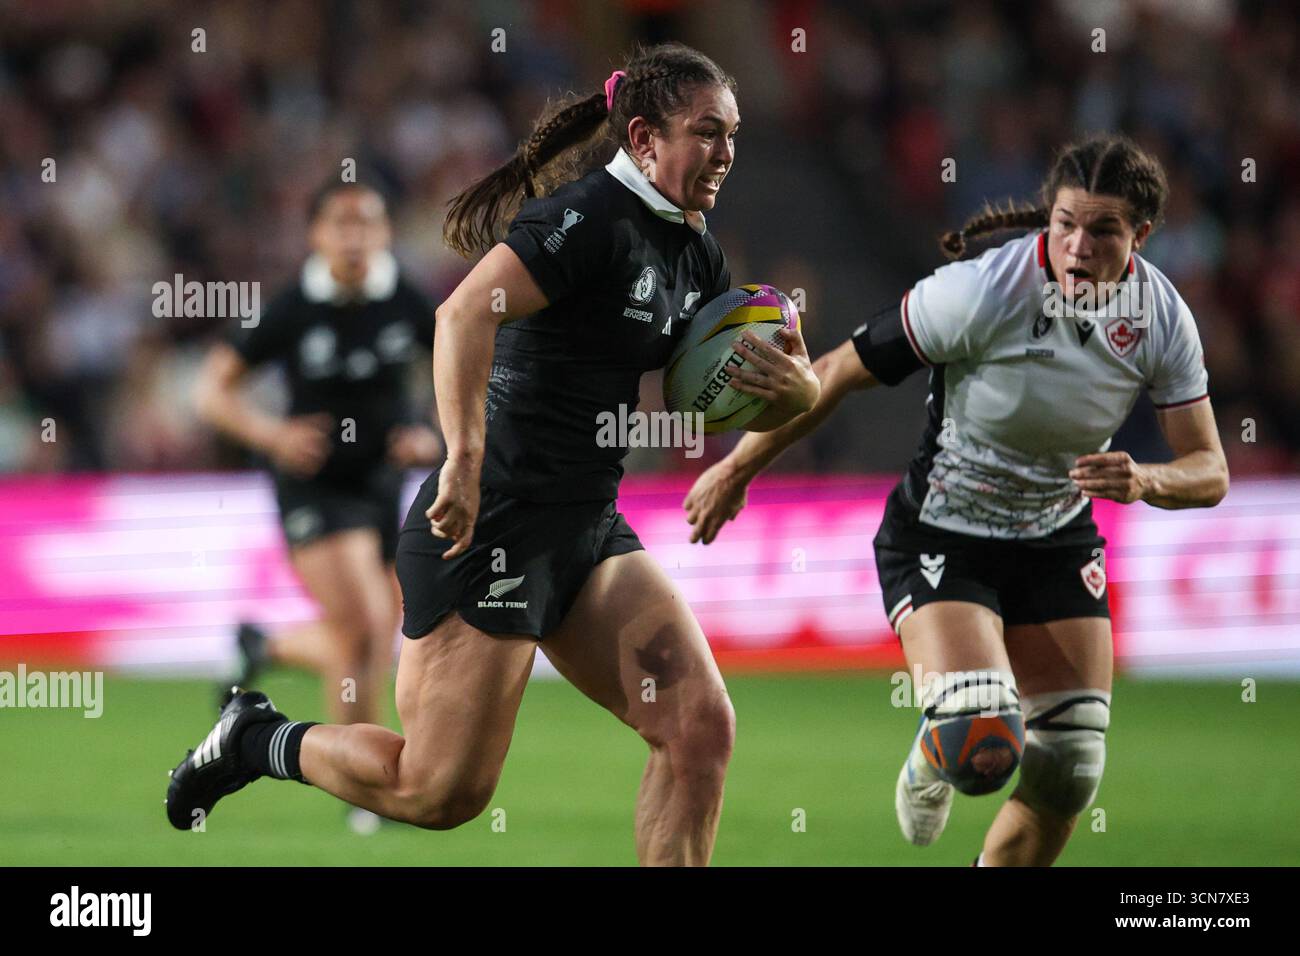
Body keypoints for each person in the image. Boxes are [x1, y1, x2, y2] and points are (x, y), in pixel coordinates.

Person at [167, 42, 820, 865]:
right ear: (646, 139)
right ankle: (258, 738)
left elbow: (720, 393)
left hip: (586, 531)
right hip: (491, 526)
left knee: (697, 728)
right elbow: (463, 315)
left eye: (733, 134)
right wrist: (464, 462)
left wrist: (787, 401)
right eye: (708, 133)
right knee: (436, 793)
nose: (726, 153)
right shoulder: (586, 219)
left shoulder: (694, 251)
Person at [683, 135, 1229, 866]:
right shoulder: (983, 291)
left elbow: (1210, 468)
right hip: (943, 535)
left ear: (1143, 236)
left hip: (1057, 540)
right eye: (1065, 223)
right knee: (983, 741)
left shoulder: (1161, 318)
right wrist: (738, 469)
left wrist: (1146, 480)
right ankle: (936, 742)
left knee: (1070, 768)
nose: (1077, 246)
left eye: (1103, 230)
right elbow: (840, 371)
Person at [189, 178, 441, 831]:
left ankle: (263, 646)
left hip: (383, 485)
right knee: (362, 622)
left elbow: (460, 367)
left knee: (376, 632)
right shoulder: (296, 306)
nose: (355, 236)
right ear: (316, 235)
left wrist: (432, 436)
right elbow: (212, 391)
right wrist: (272, 433)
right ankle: (363, 787)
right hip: (316, 486)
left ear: (385, 233)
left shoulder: (406, 299)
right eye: (341, 223)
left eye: (368, 223)